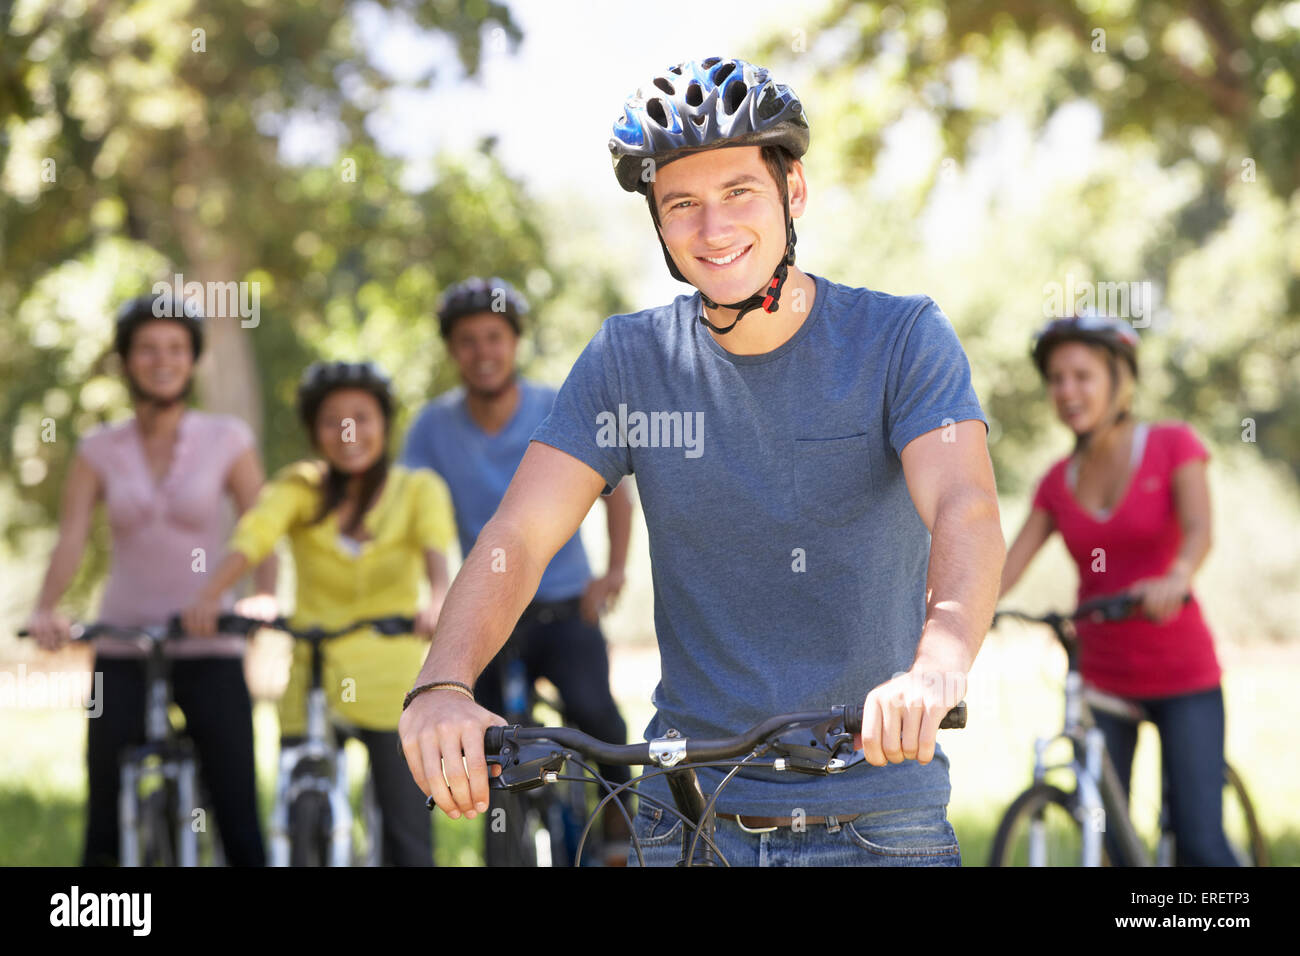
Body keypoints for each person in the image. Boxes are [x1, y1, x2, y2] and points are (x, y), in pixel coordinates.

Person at [399, 56, 1004, 867]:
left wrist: (939, 664)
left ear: (793, 193)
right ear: (657, 221)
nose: (712, 230)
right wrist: (443, 684)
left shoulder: (899, 340)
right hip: (685, 818)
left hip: (876, 817)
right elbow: (522, 532)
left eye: (738, 194)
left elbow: (963, 502)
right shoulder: (629, 359)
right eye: (682, 204)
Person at [25, 292, 273, 866]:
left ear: (192, 359)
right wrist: (47, 607)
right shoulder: (97, 448)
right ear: (126, 360)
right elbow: (71, 538)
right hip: (122, 640)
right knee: (104, 814)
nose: (162, 360)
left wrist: (262, 594)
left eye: (176, 348)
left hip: (210, 638)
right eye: (147, 349)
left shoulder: (227, 438)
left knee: (238, 812)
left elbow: (262, 527)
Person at [400, 276, 633, 864]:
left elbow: (618, 495)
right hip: (486, 612)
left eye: (494, 338)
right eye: (468, 341)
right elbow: (414, 513)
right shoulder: (432, 427)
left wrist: (612, 574)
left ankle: (619, 833)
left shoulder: (553, 403)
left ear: (514, 343)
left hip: (562, 604)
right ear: (453, 351)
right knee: (492, 737)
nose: (483, 352)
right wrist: (429, 592)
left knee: (594, 711)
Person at [183, 360, 454, 866]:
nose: (348, 431)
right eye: (332, 420)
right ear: (314, 431)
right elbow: (254, 535)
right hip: (312, 675)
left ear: (384, 424)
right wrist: (210, 595)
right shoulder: (299, 487)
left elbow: (438, 555)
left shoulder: (418, 489)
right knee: (292, 804)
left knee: (408, 836)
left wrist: (438, 601)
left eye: (362, 417)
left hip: (391, 680)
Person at [999, 312, 1239, 866]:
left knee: (1199, 843)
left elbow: (1200, 529)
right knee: (1110, 841)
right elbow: (1007, 565)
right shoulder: (1057, 482)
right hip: (1103, 677)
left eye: (1082, 376)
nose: (1067, 391)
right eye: (1056, 379)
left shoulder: (1172, 443)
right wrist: (963, 614)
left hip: (1181, 672)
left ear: (1118, 381)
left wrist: (1176, 577)